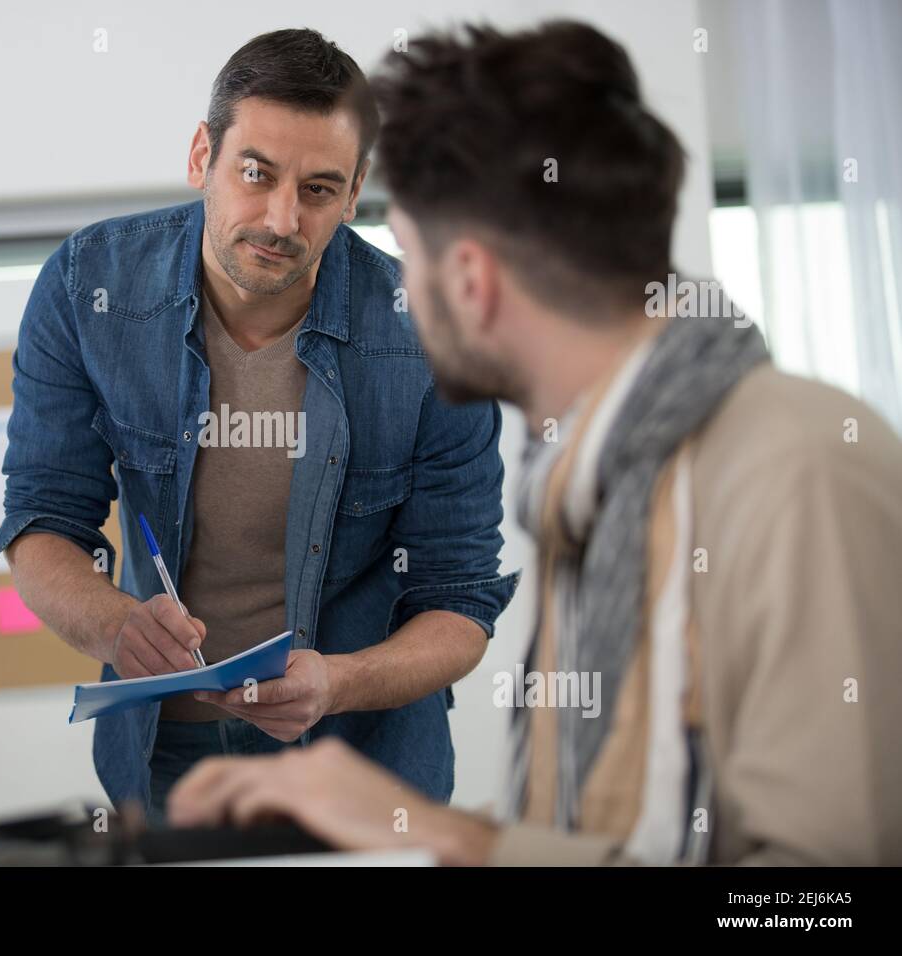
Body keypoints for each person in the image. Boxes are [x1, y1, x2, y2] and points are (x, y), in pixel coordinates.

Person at [167, 20, 902, 865]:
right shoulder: (598, 489)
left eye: (408, 255)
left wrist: (457, 839)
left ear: (472, 281)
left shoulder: (795, 470)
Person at [0, 28, 517, 826]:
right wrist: (117, 625)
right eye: (256, 173)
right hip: (163, 755)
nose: (281, 219)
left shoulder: (432, 336)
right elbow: (40, 520)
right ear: (203, 155)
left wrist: (336, 682)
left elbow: (458, 600)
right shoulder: (86, 287)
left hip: (367, 761)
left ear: (354, 192)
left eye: (318, 189)